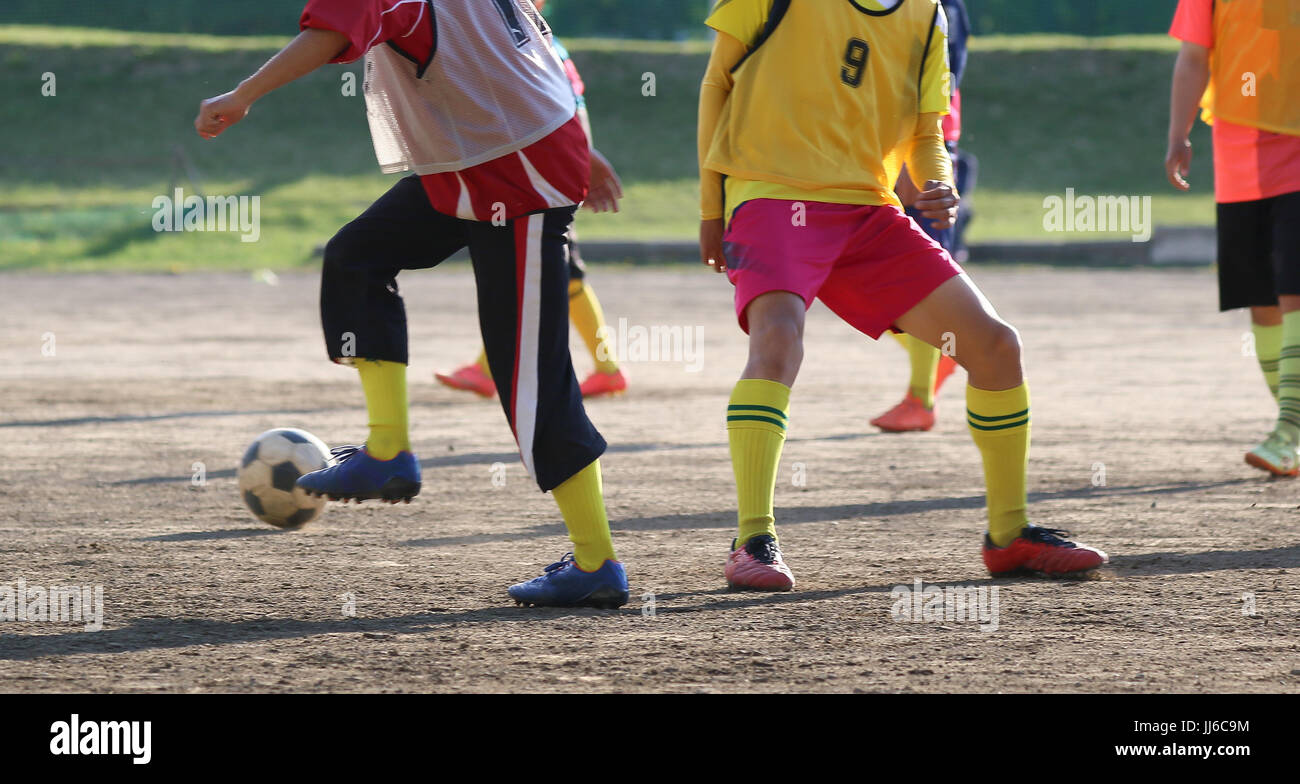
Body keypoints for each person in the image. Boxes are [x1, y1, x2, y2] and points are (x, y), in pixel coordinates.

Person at [195, 0, 629, 608]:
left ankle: (597, 562)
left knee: (531, 380)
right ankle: (386, 451)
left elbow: (332, 31)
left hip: (515, 171)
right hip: (483, 161)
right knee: (357, 257)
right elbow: (525, 43)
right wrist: (575, 140)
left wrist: (243, 93)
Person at [698, 0, 1108, 590]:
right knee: (779, 340)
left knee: (995, 347)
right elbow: (716, 84)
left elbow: (925, 130)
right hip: (769, 194)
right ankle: (752, 540)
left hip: (868, 207)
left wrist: (935, 180)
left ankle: (1009, 533)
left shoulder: (929, 13)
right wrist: (712, 207)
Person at [436, 0, 629, 401]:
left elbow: (567, 117)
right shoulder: (539, 44)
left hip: (549, 179)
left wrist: (580, 170)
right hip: (549, 176)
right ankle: (602, 367)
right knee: (555, 274)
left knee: (549, 274)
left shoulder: (540, 48)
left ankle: (495, 369)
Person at [1166, 0, 1300, 476]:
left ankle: (1290, 430)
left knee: (1293, 290)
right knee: (1260, 298)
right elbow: (1194, 55)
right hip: (1239, 151)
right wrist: (1178, 133)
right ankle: (1293, 430)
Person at [870, 0, 971, 433]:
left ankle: (920, 397)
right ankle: (941, 353)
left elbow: (945, 75)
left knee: (918, 282)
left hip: (921, 147)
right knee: (871, 279)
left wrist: (916, 158)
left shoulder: (939, 5)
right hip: (878, 147)